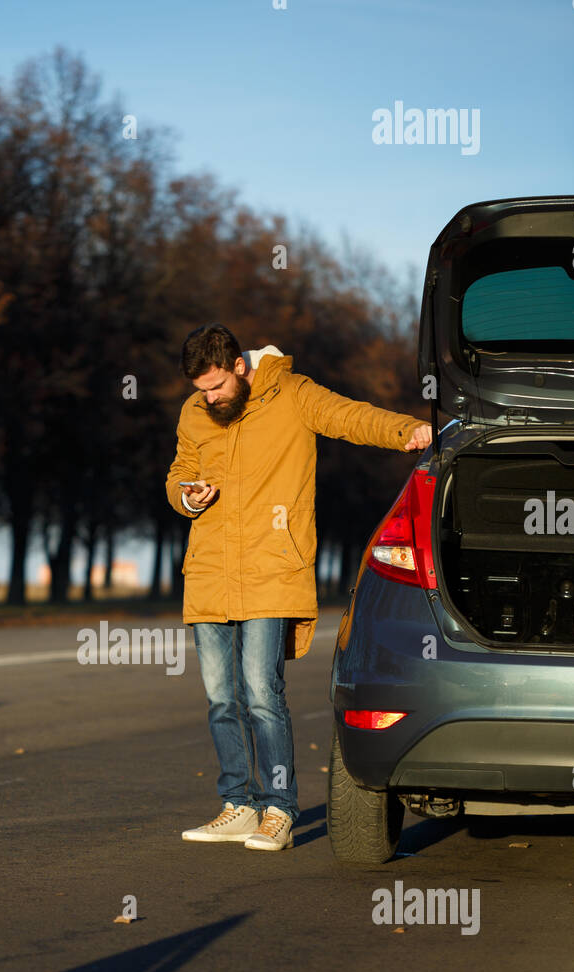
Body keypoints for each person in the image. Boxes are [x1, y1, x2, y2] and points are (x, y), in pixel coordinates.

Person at [166, 323, 431, 851]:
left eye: (216, 386)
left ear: (239, 366)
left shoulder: (293, 395)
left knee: (262, 694)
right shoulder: (195, 413)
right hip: (211, 570)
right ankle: (238, 803)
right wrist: (187, 496)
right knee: (221, 699)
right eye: (201, 390)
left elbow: (350, 416)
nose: (209, 397)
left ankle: (279, 811)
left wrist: (406, 430)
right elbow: (179, 472)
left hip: (271, 567)